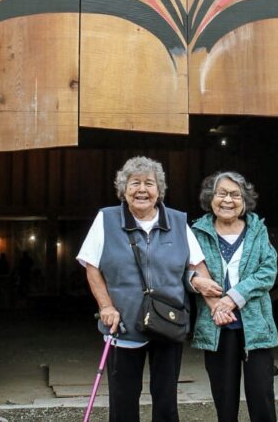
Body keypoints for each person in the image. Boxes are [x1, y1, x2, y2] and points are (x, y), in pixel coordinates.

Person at [77, 156, 207, 421]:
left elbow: (197, 265)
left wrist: (209, 291)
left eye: (149, 183)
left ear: (159, 190)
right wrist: (106, 306)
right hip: (122, 324)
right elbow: (91, 266)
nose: (142, 190)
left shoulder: (178, 222)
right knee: (123, 399)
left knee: (166, 398)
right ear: (123, 189)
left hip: (169, 321)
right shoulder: (106, 219)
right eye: (134, 183)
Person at [189, 171, 278, 422]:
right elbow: (184, 273)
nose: (228, 200)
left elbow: (268, 271)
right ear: (211, 198)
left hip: (256, 327)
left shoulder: (257, 230)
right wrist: (196, 283)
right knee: (224, 398)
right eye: (221, 194)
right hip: (217, 328)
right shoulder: (196, 232)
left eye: (235, 195)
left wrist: (233, 297)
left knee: (261, 395)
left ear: (244, 201)